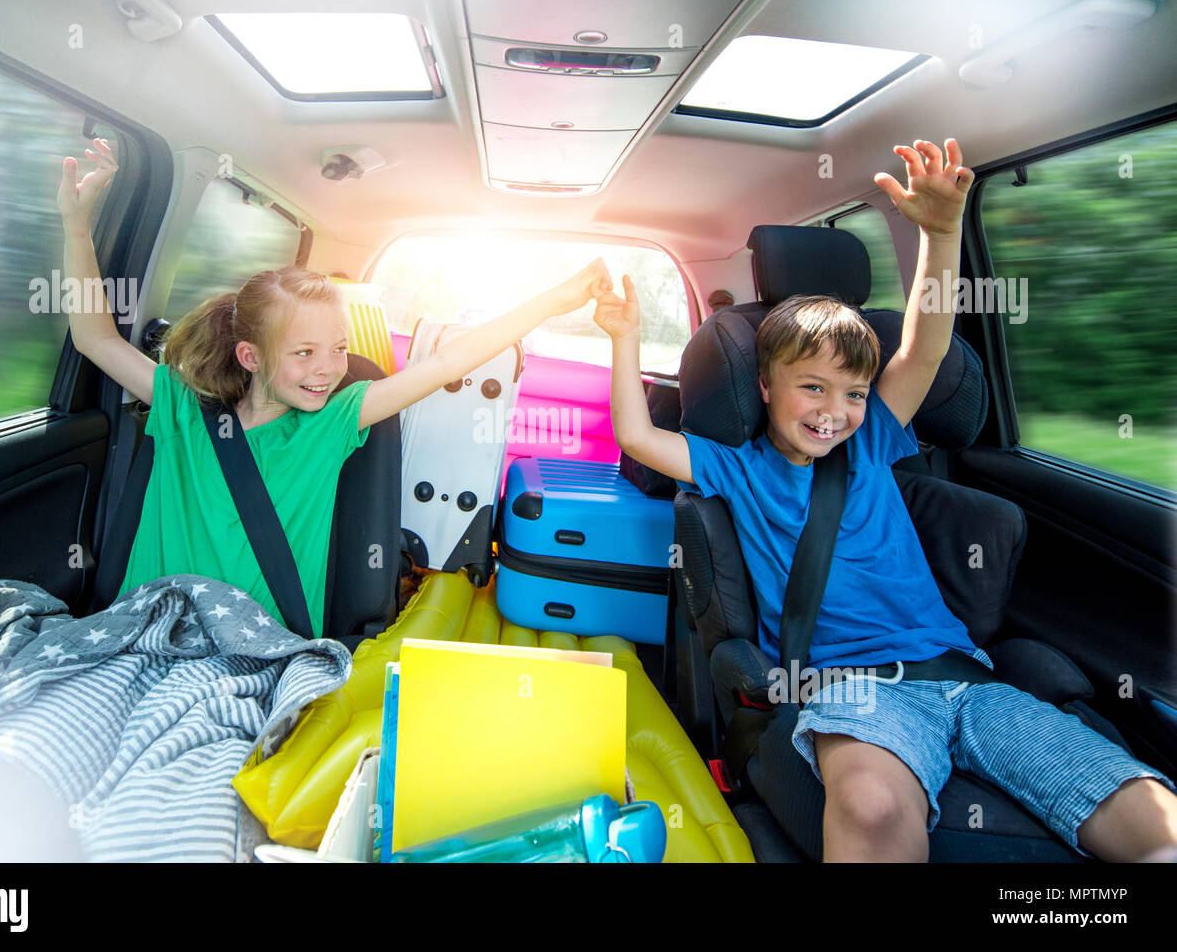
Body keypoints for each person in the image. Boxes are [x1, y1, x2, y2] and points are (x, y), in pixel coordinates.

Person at [594, 137, 1177, 862]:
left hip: (968, 680)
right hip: (854, 692)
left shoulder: (873, 444)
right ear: (767, 386)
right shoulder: (731, 467)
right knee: (870, 807)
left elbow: (925, 350)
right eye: (812, 387)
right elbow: (636, 434)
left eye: (854, 394)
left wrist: (940, 233)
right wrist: (623, 338)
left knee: (1153, 816)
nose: (833, 412)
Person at [60, 138, 611, 635]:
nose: (329, 369)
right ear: (250, 356)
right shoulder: (181, 408)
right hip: (145, 632)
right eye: (304, 353)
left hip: (253, 651)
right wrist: (78, 225)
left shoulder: (336, 420)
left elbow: (447, 365)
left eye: (339, 349)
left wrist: (554, 302)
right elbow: (94, 338)